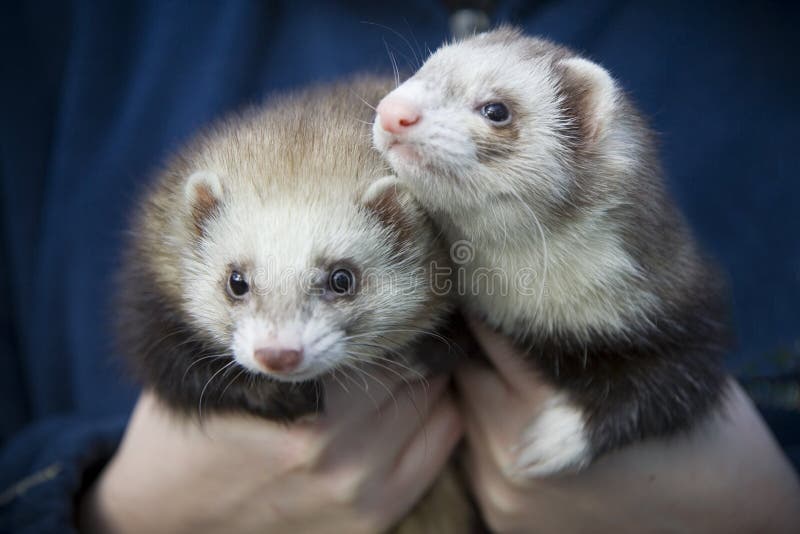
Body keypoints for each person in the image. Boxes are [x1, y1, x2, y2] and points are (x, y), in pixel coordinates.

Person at [2, 2, 799, 532]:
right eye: (238, 286)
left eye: (494, 114)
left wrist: (770, 507)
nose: (276, 344)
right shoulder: (71, 35)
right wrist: (115, 510)